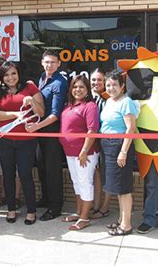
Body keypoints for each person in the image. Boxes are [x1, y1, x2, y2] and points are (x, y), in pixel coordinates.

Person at [0, 61, 44, 225]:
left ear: (19, 73)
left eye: (13, 73)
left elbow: (41, 112)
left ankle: (31, 211)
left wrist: (32, 102)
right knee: (8, 175)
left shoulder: (30, 88)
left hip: (27, 140)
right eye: (6, 75)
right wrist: (15, 114)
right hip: (4, 140)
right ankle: (11, 209)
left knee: (26, 175)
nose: (10, 77)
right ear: (1, 77)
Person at [25, 50, 67, 221]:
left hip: (52, 132)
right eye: (47, 62)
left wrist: (37, 126)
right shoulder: (41, 78)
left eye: (53, 62)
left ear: (58, 64)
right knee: (42, 168)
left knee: (53, 171)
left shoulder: (60, 83)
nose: (49, 65)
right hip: (40, 131)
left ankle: (55, 207)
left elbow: (55, 114)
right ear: (42, 62)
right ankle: (45, 199)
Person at [100, 70, 139, 236]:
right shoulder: (109, 101)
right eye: (108, 85)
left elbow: (130, 128)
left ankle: (126, 225)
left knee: (123, 188)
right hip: (107, 146)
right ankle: (122, 220)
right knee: (117, 187)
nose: (111, 88)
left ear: (122, 86)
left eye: (114, 85)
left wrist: (123, 152)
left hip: (119, 146)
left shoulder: (126, 102)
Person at [59, 75, 100, 230]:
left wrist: (84, 151)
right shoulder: (68, 105)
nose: (78, 90)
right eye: (75, 86)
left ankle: (84, 217)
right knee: (76, 182)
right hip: (70, 153)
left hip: (85, 154)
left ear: (87, 89)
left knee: (85, 183)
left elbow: (92, 130)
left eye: (82, 87)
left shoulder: (90, 106)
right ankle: (78, 212)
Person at [0, 54, 22, 208]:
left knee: (17, 169)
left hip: (21, 136)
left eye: (0, 65)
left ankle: (16, 197)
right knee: (4, 168)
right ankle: (5, 196)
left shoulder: (22, 86)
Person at [90, 68, 112, 219]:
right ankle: (96, 206)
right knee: (96, 174)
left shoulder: (110, 99)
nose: (96, 83)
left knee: (107, 174)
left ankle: (105, 207)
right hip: (92, 143)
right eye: (93, 80)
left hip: (107, 142)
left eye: (99, 80)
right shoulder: (88, 98)